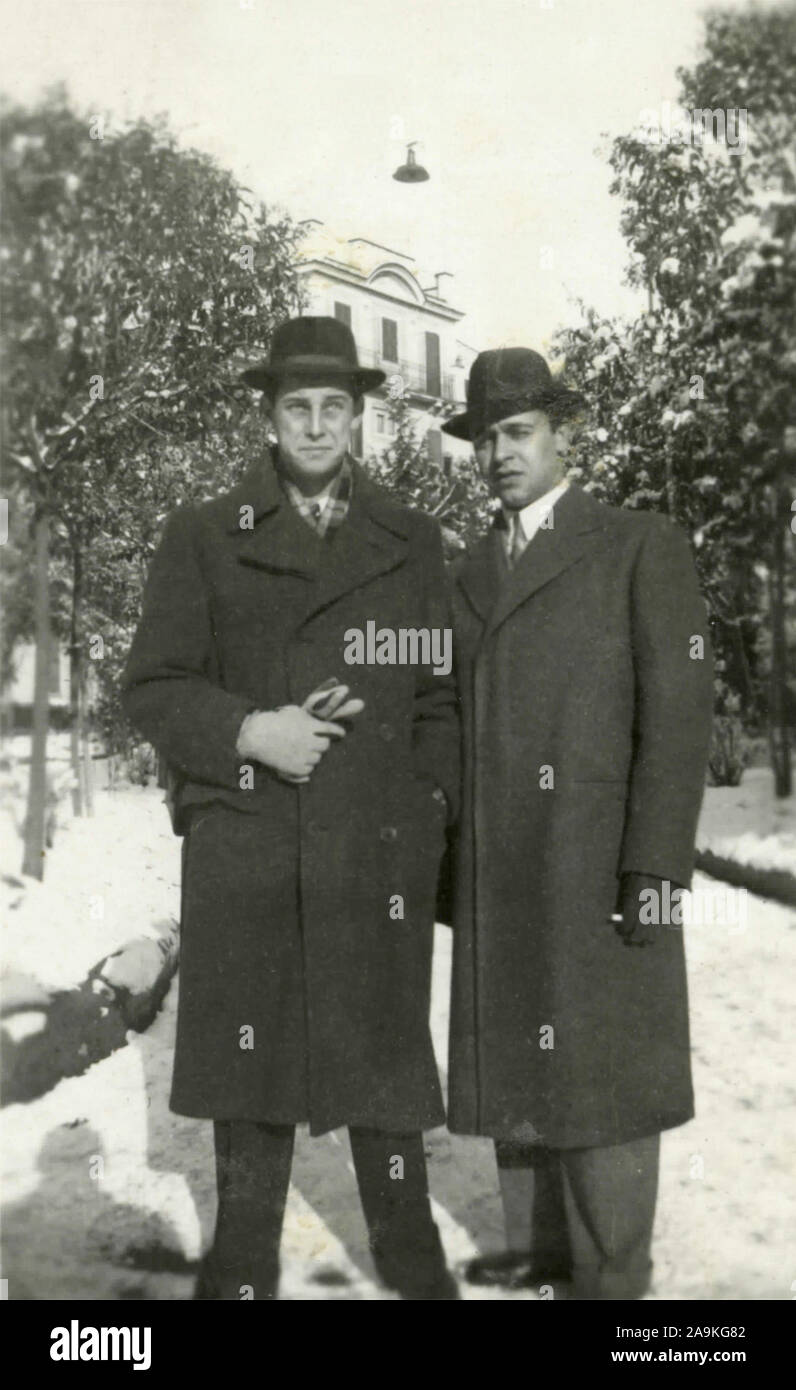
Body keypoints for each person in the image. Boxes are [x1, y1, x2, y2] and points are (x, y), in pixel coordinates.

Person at [122, 316, 460, 1300]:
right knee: (251, 1095)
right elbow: (154, 684)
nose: (315, 426)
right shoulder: (202, 536)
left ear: (356, 421)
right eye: (296, 408)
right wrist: (246, 731)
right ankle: (239, 1277)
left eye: (333, 409)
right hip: (254, 848)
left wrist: (424, 808)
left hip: (372, 860)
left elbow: (434, 693)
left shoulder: (409, 541)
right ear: (269, 420)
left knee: (387, 1092)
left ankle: (413, 1276)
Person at [442, 347, 713, 1300]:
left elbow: (677, 724)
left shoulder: (640, 544)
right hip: (504, 893)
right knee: (523, 1126)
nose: (500, 455)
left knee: (605, 1116)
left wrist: (655, 876)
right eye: (486, 438)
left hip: (597, 886)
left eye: (519, 433)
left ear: (565, 434)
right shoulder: (467, 571)